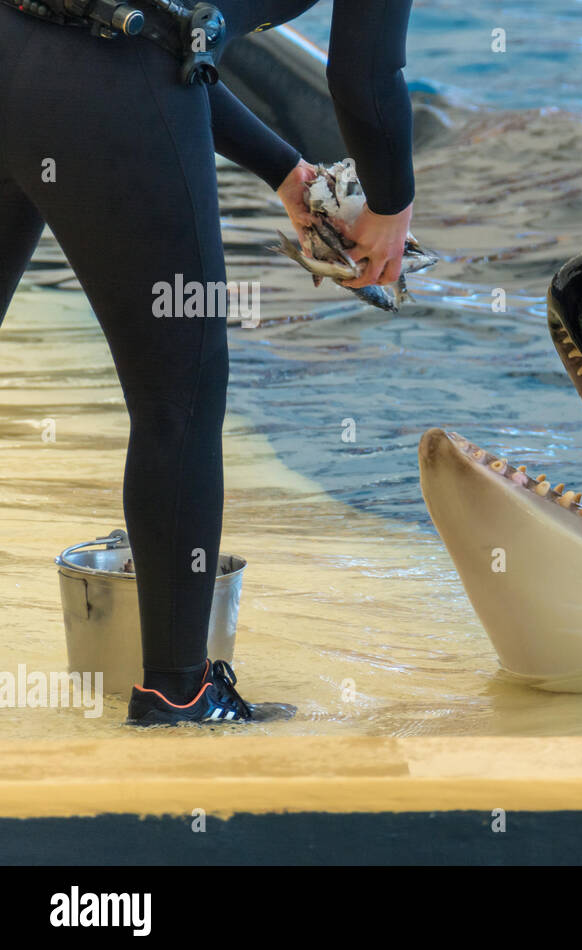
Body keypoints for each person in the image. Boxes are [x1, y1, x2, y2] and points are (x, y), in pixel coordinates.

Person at [0, 0, 416, 723]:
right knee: (181, 397)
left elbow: (165, 25)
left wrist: (286, 172)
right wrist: (391, 204)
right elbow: (365, 77)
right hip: (108, 81)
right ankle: (178, 692)